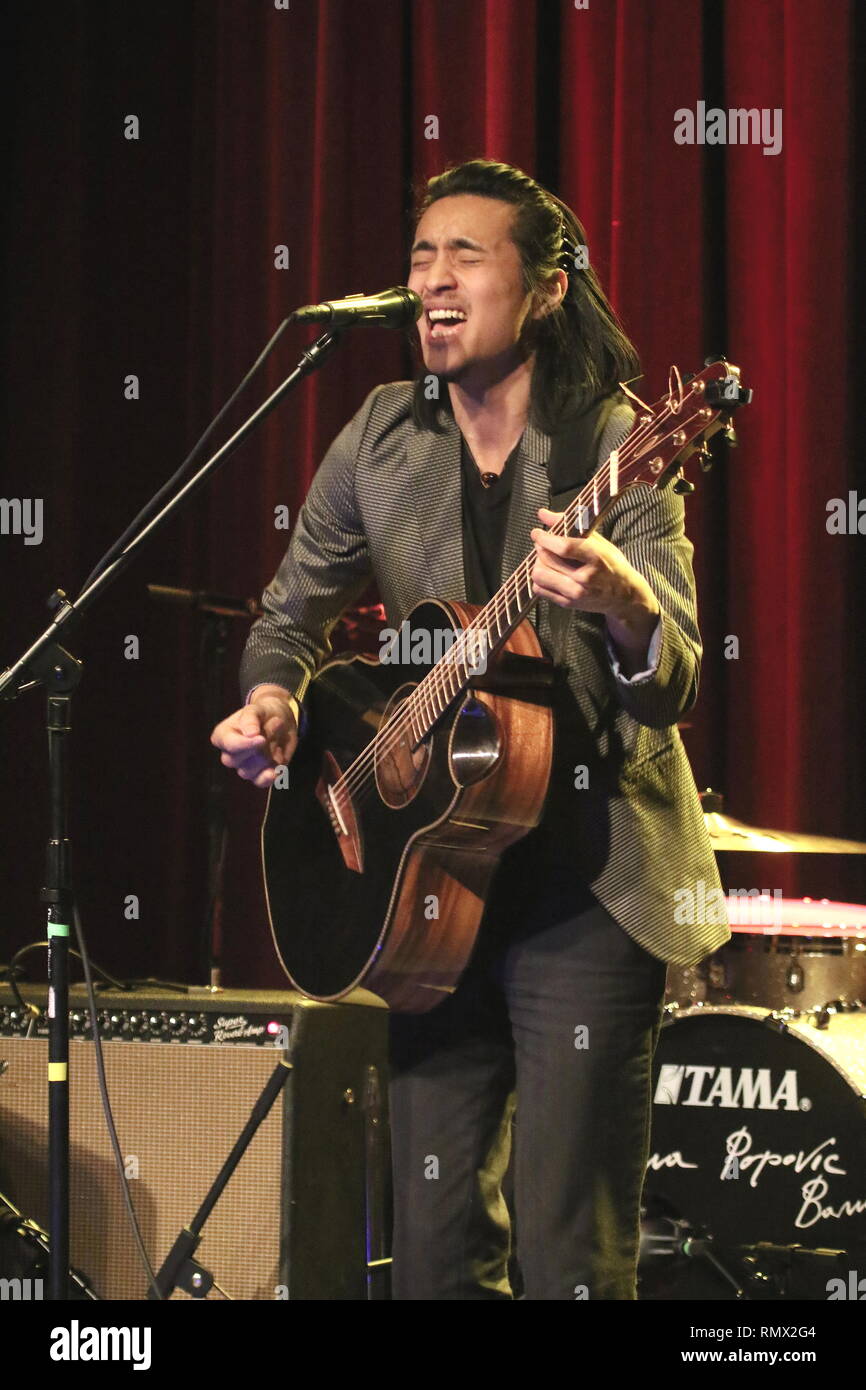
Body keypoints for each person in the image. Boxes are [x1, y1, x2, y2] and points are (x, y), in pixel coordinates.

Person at [210, 159, 729, 1300]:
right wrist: (273, 698)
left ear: (543, 291)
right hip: (430, 892)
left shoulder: (614, 439)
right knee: (432, 1253)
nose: (429, 280)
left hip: (585, 889)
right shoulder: (381, 436)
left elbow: (673, 676)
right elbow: (287, 616)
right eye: (417, 256)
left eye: (464, 255)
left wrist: (618, 601)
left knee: (566, 1254)